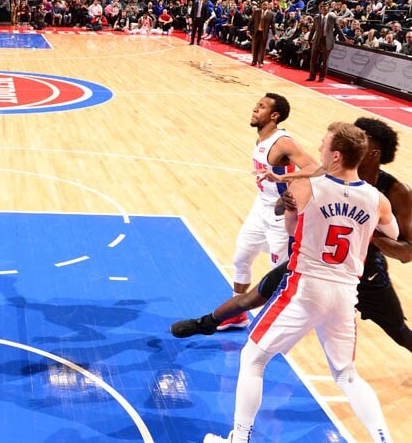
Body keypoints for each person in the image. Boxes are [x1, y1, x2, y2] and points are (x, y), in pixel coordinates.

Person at [202, 122, 405, 443]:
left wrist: (290, 194)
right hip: (345, 294)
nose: (319, 150)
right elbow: (392, 234)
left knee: (253, 358)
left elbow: (292, 229)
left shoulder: (306, 185)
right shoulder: (378, 199)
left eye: (324, 145)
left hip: (306, 286)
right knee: (347, 375)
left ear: (336, 155)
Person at [171, 117, 412, 353]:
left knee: (399, 331)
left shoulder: (395, 192)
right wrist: (285, 201)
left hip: (363, 272)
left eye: (360, 137)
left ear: (373, 153)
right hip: (313, 262)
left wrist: (365, 230)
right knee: (253, 297)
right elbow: (279, 208)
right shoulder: (326, 173)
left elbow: (406, 253)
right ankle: (206, 323)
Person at [217, 93, 320, 330]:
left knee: (283, 273)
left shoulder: (283, 142)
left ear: (274, 116)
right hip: (260, 206)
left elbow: (316, 169)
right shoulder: (261, 138)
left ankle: (294, 317)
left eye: (261, 107)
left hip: (281, 214)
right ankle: (237, 313)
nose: (254, 109)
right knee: (241, 258)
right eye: (256, 105)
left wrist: (284, 178)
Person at [307, 1, 345, 82]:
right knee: (313, 59)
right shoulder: (316, 18)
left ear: (328, 10)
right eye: (324, 10)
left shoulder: (332, 18)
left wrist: (345, 39)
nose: (325, 11)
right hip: (317, 40)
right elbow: (313, 30)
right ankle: (312, 76)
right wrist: (309, 40)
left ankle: (322, 77)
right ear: (321, 10)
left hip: (327, 40)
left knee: (325, 60)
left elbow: (338, 29)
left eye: (326, 10)